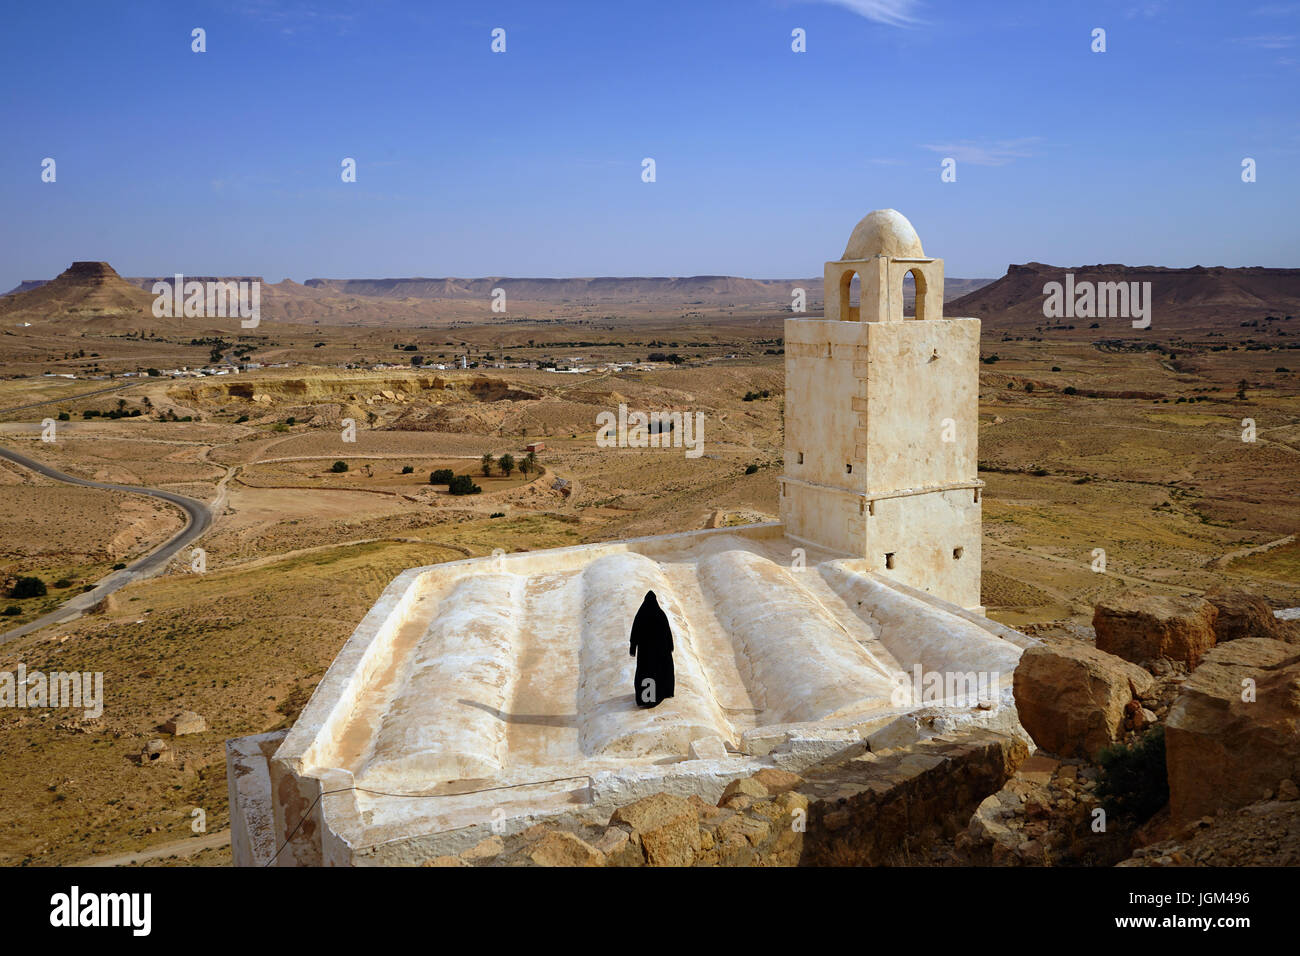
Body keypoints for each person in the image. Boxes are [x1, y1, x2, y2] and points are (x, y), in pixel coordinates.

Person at [629, 590, 674, 708]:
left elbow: (634, 633)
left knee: (645, 674)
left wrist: (633, 648)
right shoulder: (660, 614)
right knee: (657, 673)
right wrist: (670, 647)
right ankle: (655, 697)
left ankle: (646, 698)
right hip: (659, 652)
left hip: (645, 653)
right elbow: (667, 633)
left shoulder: (641, 615)